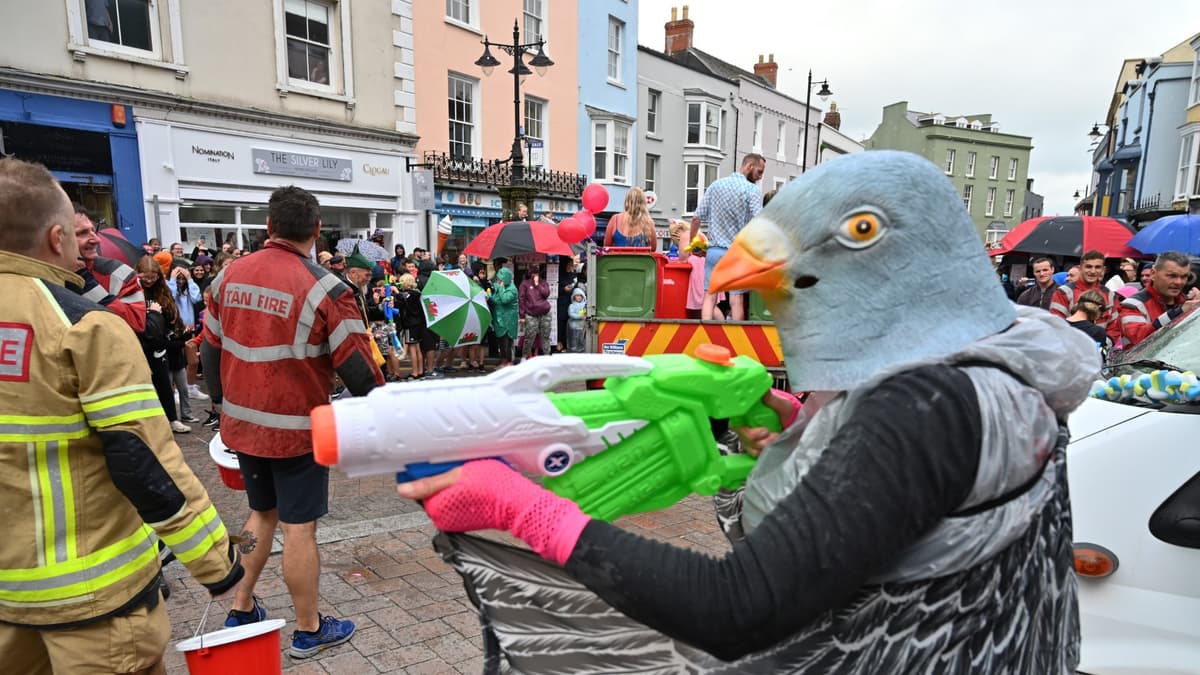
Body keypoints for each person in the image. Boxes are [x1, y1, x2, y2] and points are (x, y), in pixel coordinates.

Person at [398, 151, 1093, 671]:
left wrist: (526, 510)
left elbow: (738, 608)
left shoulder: (926, 404)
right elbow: (911, 515)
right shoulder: (1008, 369)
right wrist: (807, 434)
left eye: (857, 229)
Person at [0, 157, 243, 674]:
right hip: (95, 601)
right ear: (55, 237)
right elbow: (145, 462)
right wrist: (217, 563)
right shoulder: (83, 326)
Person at [201, 185, 383, 658]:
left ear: (269, 227)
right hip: (297, 430)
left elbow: (209, 349)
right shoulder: (327, 288)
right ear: (318, 231)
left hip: (242, 427)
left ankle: (241, 605)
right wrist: (387, 416)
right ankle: (309, 628)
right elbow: (359, 368)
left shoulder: (227, 277)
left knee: (261, 513)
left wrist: (221, 408)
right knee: (299, 527)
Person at [690, 153, 766, 321]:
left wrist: (692, 243)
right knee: (736, 300)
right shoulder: (752, 190)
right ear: (748, 166)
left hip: (714, 253)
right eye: (759, 172)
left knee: (709, 296)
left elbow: (696, 218)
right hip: (736, 254)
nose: (760, 177)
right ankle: (736, 340)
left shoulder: (715, 185)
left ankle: (705, 335)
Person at [135, 255, 192, 433]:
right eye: (146, 277)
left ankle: (172, 418)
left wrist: (177, 327)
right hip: (144, 340)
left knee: (165, 384)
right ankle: (154, 422)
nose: (150, 281)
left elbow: (171, 310)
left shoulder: (162, 290)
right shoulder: (135, 291)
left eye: (153, 277)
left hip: (161, 341)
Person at [73, 204, 147, 333]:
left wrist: (88, 284)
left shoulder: (119, 273)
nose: (96, 239)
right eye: (82, 233)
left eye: (93, 231)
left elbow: (136, 324)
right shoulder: (36, 278)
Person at [1118, 251, 1200, 347]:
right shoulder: (1132, 305)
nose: (1179, 282)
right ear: (1153, 274)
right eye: (1172, 276)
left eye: (1184, 277)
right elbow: (1139, 338)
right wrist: (1177, 313)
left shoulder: (1187, 303)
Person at [1050, 250, 1119, 345]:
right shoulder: (1064, 292)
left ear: (1103, 270)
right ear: (1080, 268)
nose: (1093, 271)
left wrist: (1102, 345)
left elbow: (1114, 328)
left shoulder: (1110, 295)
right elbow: (1057, 323)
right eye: (1088, 266)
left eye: (1097, 267)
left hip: (1100, 351)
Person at [518, 265, 552, 361]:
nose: (535, 275)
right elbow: (521, 300)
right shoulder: (524, 284)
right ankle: (524, 357)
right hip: (531, 313)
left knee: (545, 336)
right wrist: (522, 315)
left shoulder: (543, 283)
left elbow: (546, 294)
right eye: (533, 273)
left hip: (545, 312)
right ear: (529, 274)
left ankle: (547, 357)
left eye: (536, 273)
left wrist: (537, 285)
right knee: (529, 336)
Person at [491, 266, 519, 367]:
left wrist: (501, 288)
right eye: (498, 279)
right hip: (500, 319)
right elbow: (495, 300)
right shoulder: (500, 287)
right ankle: (503, 361)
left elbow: (505, 300)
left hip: (509, 320)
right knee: (501, 342)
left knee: (508, 342)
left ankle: (509, 362)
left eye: (500, 279)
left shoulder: (512, 289)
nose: (498, 281)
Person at [566, 287, 587, 352]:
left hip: (581, 326)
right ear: (574, 296)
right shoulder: (572, 306)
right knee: (573, 338)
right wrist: (580, 316)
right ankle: (573, 349)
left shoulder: (584, 305)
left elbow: (585, 313)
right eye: (577, 295)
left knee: (581, 338)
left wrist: (585, 314)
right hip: (573, 326)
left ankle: (581, 349)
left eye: (581, 296)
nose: (579, 297)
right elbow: (571, 314)